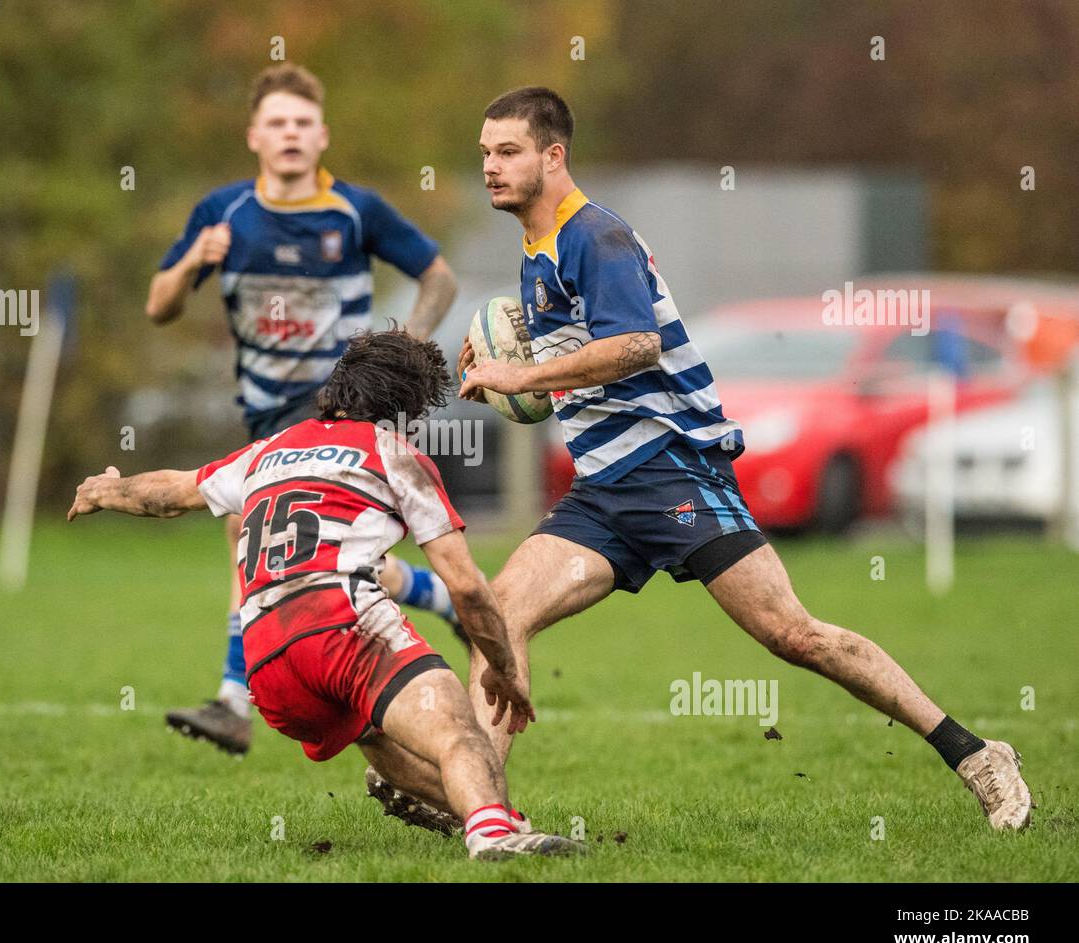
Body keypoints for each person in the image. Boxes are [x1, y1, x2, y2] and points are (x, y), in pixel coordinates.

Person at [365, 86, 1032, 834]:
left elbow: (634, 347)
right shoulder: (535, 250)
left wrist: (520, 375)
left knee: (796, 635)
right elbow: (582, 378)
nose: (489, 166)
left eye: (508, 151)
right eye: (484, 152)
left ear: (554, 156)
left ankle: (978, 753)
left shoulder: (595, 237)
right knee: (497, 615)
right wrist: (514, 392)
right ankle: (483, 813)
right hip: (602, 493)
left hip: (676, 472)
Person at [67, 330, 582, 860]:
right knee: (458, 733)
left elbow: (171, 493)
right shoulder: (395, 455)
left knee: (377, 733)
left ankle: (499, 820)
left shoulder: (270, 449)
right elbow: (468, 587)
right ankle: (492, 837)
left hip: (266, 663)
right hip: (342, 629)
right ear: (406, 410)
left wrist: (109, 490)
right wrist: (502, 666)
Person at [146, 63, 461, 755]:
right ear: (254, 136)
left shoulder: (355, 211)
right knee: (311, 552)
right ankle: (443, 598)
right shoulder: (222, 214)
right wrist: (191, 260)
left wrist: (407, 341)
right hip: (264, 409)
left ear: (322, 136)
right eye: (277, 123)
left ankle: (235, 699)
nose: (290, 134)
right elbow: (159, 307)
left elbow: (438, 275)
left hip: (338, 404)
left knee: (248, 532)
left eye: (302, 123)